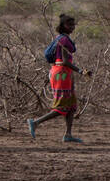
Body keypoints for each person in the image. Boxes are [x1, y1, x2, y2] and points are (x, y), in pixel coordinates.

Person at [28, 14, 92, 143]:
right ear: (63, 26)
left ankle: (68, 135)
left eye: (73, 25)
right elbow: (64, 61)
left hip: (63, 73)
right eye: (70, 25)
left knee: (71, 105)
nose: (72, 27)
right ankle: (35, 122)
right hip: (61, 73)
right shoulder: (63, 40)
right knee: (62, 106)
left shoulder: (62, 38)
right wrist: (81, 71)